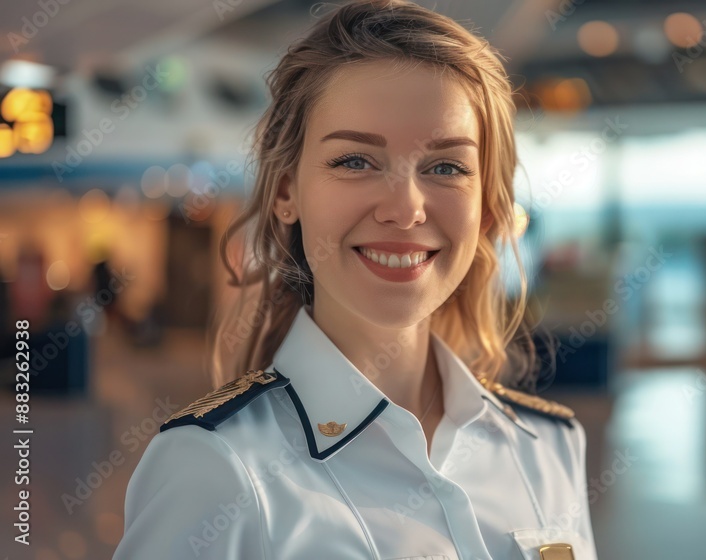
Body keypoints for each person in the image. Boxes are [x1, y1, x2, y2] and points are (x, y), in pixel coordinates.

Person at [113, 1, 598, 559]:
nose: (405, 208)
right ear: (286, 191)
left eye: (446, 167)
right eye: (355, 161)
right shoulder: (216, 467)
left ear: (487, 207)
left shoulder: (548, 449)